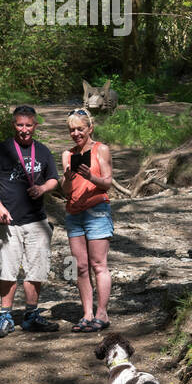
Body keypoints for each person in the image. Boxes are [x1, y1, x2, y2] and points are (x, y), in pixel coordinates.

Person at [0, 105, 61, 337]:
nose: (24, 130)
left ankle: (31, 315)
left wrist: (43, 188)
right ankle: (5, 316)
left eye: (28, 125)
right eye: (20, 125)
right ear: (13, 125)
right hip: (8, 221)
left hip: (37, 221)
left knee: (36, 270)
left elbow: (54, 179)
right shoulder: (2, 149)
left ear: (35, 126)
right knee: (7, 269)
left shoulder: (43, 151)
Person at [62, 108, 114, 332]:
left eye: (80, 129)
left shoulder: (100, 149)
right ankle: (87, 313)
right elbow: (65, 191)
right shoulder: (68, 155)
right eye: (72, 130)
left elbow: (108, 182)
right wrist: (67, 178)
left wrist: (89, 176)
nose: (76, 133)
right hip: (73, 213)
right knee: (80, 266)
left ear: (90, 128)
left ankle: (102, 313)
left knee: (98, 264)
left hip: (97, 210)